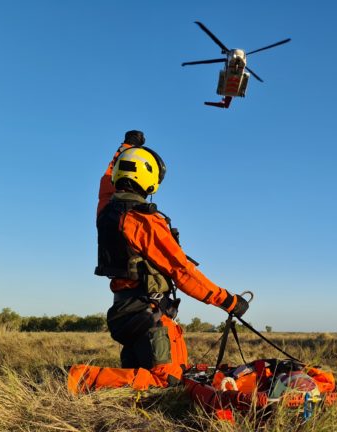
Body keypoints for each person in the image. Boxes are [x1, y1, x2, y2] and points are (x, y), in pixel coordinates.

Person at [93, 132, 249, 388]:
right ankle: (77, 379)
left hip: (124, 314)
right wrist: (228, 301)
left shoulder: (105, 209)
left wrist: (126, 148)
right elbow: (182, 272)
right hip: (150, 316)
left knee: (139, 388)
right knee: (169, 383)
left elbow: (106, 181)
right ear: (149, 179)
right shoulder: (144, 222)